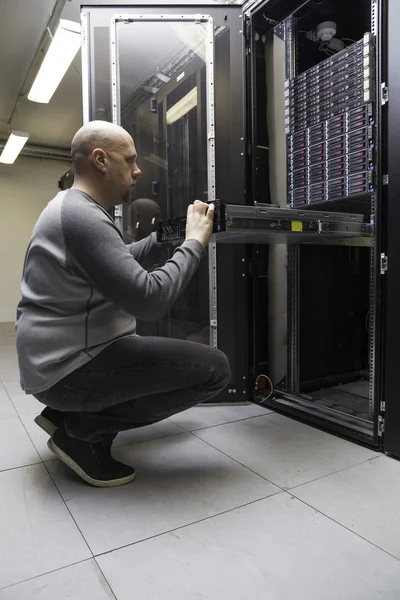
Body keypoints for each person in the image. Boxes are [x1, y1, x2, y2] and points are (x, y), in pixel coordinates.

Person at [16, 120, 230, 488]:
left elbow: (116, 258)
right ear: (100, 160)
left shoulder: (73, 206)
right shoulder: (83, 217)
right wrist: (193, 243)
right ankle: (81, 430)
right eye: (129, 160)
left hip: (54, 362)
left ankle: (64, 415)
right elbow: (149, 300)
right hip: (66, 371)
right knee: (215, 370)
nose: (137, 170)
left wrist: (166, 236)